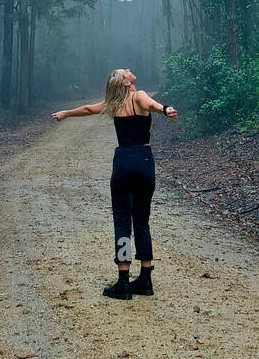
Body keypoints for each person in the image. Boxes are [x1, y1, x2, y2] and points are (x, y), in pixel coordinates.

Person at [52, 68, 177, 299]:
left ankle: (123, 282)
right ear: (127, 83)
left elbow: (89, 109)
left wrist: (67, 113)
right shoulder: (137, 96)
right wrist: (166, 109)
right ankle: (145, 280)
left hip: (123, 164)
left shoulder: (114, 103)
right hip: (144, 161)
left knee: (122, 222)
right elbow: (151, 104)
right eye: (125, 71)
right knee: (142, 221)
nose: (129, 70)